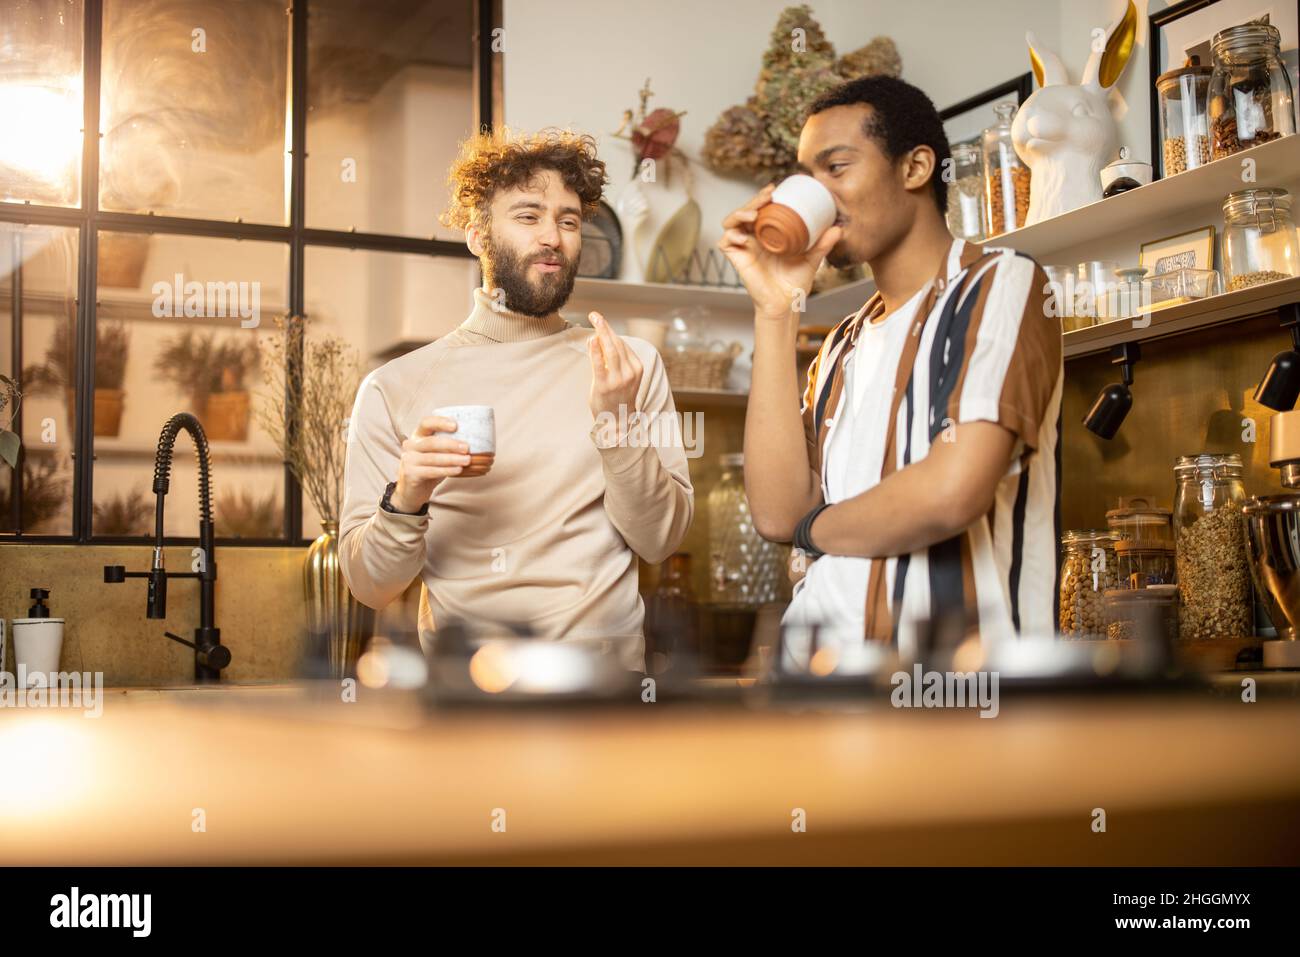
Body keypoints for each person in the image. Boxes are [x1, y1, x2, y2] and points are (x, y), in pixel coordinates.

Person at [720, 76, 1062, 654]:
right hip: (819, 681)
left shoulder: (998, 283)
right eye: (807, 177)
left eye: (837, 168)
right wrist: (774, 312)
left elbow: (953, 491)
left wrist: (815, 531)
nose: (817, 194)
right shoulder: (841, 345)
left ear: (915, 168)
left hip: (954, 693)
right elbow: (778, 513)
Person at [339, 128, 694, 671]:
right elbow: (369, 585)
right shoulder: (394, 387)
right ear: (478, 235)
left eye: (569, 220)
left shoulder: (628, 365)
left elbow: (659, 539)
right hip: (468, 692)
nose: (552, 236)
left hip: (608, 688)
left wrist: (617, 425)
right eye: (528, 216)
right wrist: (406, 495)